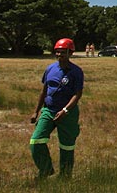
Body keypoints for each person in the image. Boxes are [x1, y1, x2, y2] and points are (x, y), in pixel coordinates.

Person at [29, 38, 84, 179]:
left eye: (63, 52)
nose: (60, 55)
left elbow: (77, 94)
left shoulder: (76, 72)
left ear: (70, 53)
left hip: (68, 113)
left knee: (67, 146)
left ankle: (65, 177)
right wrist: (36, 111)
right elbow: (44, 90)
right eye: (57, 52)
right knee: (36, 141)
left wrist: (65, 110)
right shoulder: (50, 69)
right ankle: (46, 169)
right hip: (49, 110)